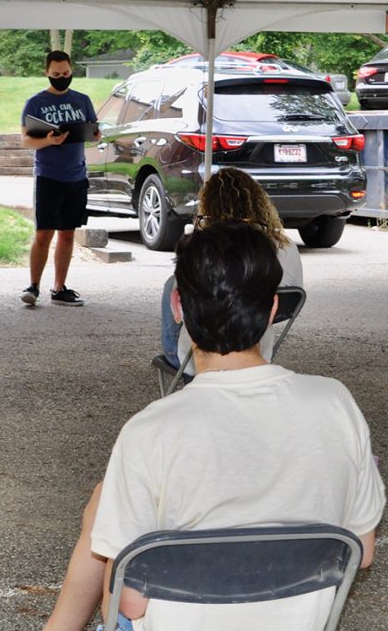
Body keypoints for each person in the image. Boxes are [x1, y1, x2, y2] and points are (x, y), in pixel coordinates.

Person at [43, 222, 384, 631]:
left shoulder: (150, 430)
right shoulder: (334, 402)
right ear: (273, 310)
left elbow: (128, 606)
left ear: (178, 306)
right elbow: (362, 552)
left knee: (105, 502)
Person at [161, 167, 303, 374]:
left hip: (194, 359)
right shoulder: (286, 246)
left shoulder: (208, 250)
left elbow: (184, 303)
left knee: (171, 284)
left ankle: (172, 349)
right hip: (260, 349)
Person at [20, 50, 99, 308]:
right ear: (46, 72)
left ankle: (59, 288)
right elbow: (26, 140)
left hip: (76, 176)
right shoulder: (35, 103)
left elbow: (94, 132)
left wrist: (94, 134)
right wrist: (48, 140)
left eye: (66, 73)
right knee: (44, 234)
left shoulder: (82, 100)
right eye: (56, 74)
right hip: (48, 176)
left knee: (67, 234)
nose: (62, 77)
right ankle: (33, 286)